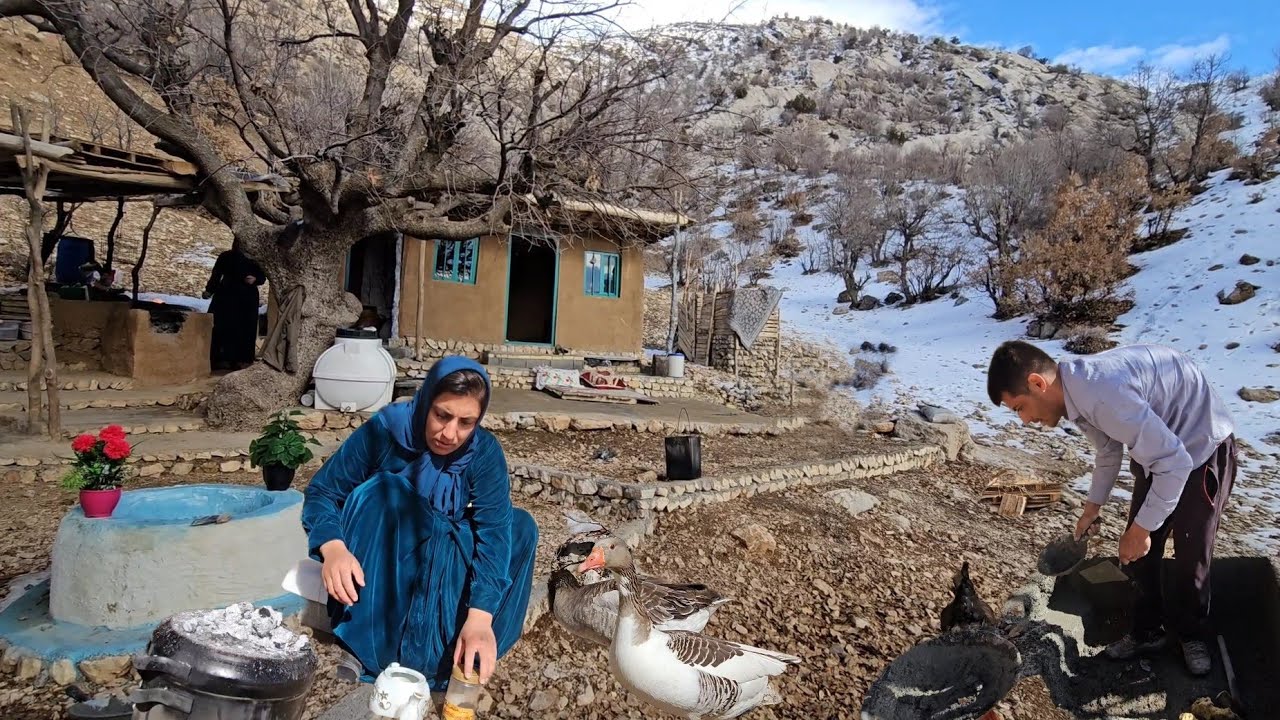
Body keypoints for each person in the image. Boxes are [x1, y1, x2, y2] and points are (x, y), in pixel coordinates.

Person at [986, 340, 1236, 676]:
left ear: (1037, 383)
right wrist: (1092, 509)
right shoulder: (1075, 394)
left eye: (1019, 408)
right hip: (1161, 449)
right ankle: (1148, 630)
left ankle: (1192, 635)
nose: (1025, 421)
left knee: (1191, 551)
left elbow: (1176, 462)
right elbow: (1108, 451)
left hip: (1201, 444)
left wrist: (1142, 529)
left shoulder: (1103, 394)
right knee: (1137, 552)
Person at [301, 357, 538, 692]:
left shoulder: (482, 452)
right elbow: (323, 492)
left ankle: (467, 651)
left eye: (466, 422)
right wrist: (333, 548)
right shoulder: (384, 432)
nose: (450, 433)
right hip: (388, 558)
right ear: (426, 402)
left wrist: (480, 617)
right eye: (442, 415)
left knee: (521, 526)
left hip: (441, 555)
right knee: (383, 491)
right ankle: (365, 643)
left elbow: (495, 533)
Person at [203, 244, 265, 370]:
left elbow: (262, 277)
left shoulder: (256, 259)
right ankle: (221, 359)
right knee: (222, 326)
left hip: (247, 298)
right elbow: (216, 274)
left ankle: (241, 359)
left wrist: (255, 279)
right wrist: (210, 290)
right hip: (227, 295)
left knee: (244, 328)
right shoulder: (226, 256)